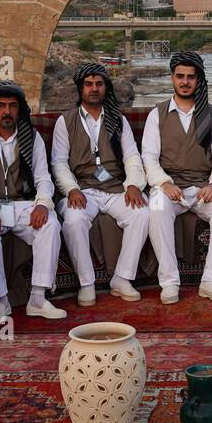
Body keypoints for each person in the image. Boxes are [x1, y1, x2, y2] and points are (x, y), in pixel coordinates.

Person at [142, 52, 212, 304]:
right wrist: (163, 183)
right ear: (172, 78)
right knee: (155, 207)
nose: (185, 82)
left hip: (201, 188)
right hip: (167, 186)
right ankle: (169, 282)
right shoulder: (158, 114)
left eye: (191, 77)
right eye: (180, 76)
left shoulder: (211, 115)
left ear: (199, 80)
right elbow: (149, 157)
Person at [0, 81, 65, 322]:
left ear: (19, 109)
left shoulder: (31, 136)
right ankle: (0, 301)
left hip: (21, 203)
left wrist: (42, 204)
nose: (6, 112)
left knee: (50, 223)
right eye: (0, 106)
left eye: (12, 106)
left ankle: (38, 298)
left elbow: (43, 177)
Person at [51, 63, 150, 305]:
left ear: (106, 87)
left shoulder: (118, 120)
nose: (94, 89)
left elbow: (132, 157)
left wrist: (134, 185)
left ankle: (122, 278)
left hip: (115, 187)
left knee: (143, 212)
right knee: (73, 221)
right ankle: (87, 284)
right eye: (88, 84)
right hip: (83, 189)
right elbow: (59, 163)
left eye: (99, 84)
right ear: (80, 89)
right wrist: (71, 189)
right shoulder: (66, 122)